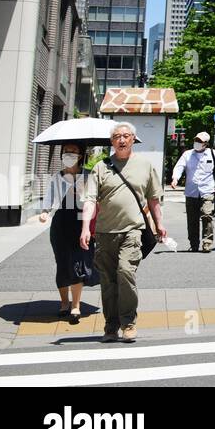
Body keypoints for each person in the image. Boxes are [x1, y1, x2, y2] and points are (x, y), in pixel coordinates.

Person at [80, 122, 167, 343]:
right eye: (117, 136)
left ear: (133, 139)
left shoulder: (145, 166)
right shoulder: (102, 167)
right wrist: (85, 228)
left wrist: (159, 224)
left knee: (126, 272)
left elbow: (153, 199)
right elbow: (90, 200)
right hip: (105, 232)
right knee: (108, 280)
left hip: (133, 230)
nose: (121, 139)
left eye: (126, 135)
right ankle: (111, 326)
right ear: (112, 141)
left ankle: (128, 323)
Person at [39, 144, 89, 324]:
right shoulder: (56, 177)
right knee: (61, 263)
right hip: (60, 224)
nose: (69, 154)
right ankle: (64, 302)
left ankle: (76, 305)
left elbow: (96, 199)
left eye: (73, 151)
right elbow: (49, 199)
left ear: (81, 155)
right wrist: (45, 211)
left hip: (80, 222)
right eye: (66, 151)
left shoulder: (88, 176)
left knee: (77, 263)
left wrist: (81, 194)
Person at [169, 131, 215, 252]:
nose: (197, 143)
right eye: (196, 140)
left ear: (205, 144)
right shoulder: (187, 154)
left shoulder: (212, 154)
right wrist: (175, 178)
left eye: (200, 141)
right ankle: (194, 244)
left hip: (208, 190)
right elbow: (179, 166)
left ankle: (207, 243)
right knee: (192, 219)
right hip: (191, 191)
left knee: (207, 214)